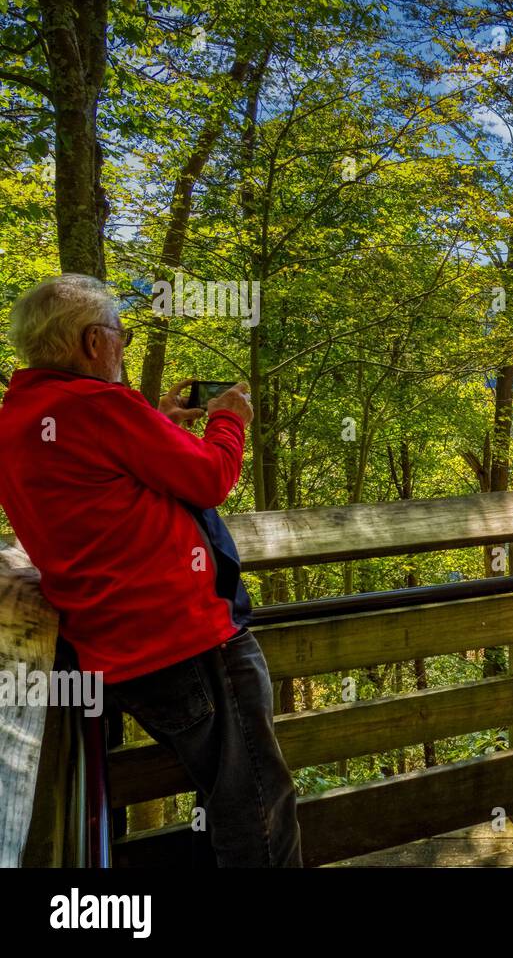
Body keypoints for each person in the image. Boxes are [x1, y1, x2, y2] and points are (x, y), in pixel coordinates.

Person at [0, 274, 301, 867]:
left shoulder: (20, 416)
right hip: (186, 642)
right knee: (256, 806)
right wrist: (229, 418)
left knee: (225, 798)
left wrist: (157, 423)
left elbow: (101, 483)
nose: (124, 346)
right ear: (92, 342)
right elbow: (210, 477)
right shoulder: (99, 406)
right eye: (121, 335)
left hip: (110, 649)